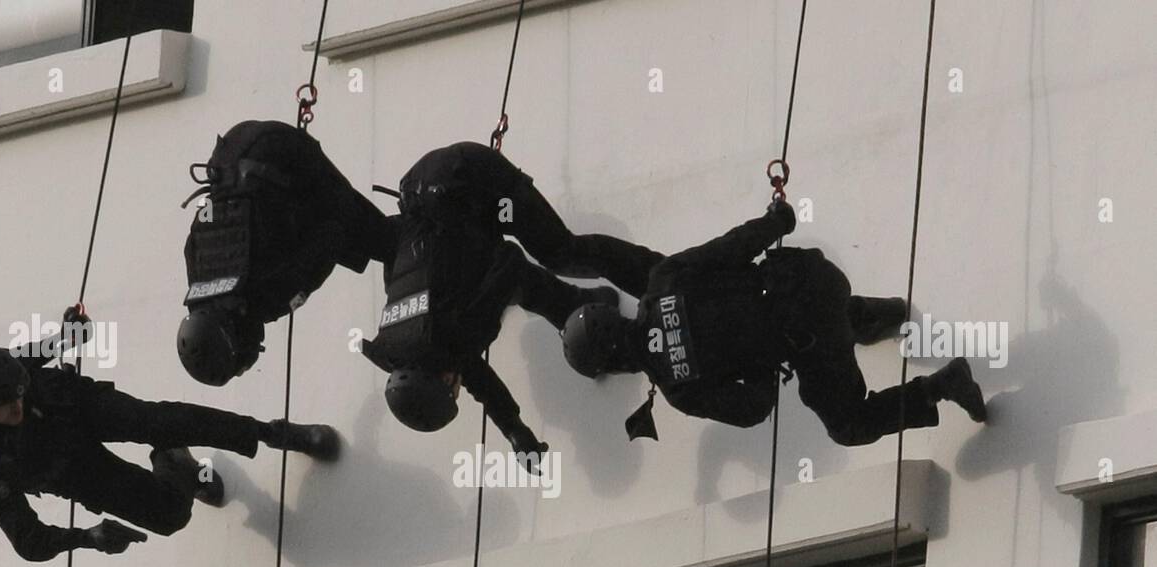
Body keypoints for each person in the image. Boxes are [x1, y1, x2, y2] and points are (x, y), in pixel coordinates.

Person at [560, 199, 987, 444]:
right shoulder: (661, 281)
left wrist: (758, 358)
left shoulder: (679, 389)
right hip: (815, 274)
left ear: (614, 364)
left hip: (809, 334)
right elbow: (731, 248)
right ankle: (880, 314)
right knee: (816, 324)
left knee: (847, 423)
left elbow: (755, 409)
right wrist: (776, 220)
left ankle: (940, 386)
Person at [0, 307, 339, 562]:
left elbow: (31, 356)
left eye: (17, 396)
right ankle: (176, 466)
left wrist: (68, 336)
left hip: (64, 405)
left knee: (157, 420)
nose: (15, 408)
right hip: (56, 462)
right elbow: (27, 540)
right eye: (6, 408)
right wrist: (87, 538)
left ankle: (272, 433)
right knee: (167, 517)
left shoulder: (8, 372)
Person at [358, 141, 660, 460]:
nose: (459, 391)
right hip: (419, 189)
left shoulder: (453, 338)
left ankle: (656, 275)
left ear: (444, 381)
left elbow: (511, 262)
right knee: (499, 284)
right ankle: (574, 302)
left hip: (478, 180)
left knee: (559, 252)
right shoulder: (401, 343)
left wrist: (563, 310)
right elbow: (468, 366)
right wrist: (514, 429)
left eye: (453, 394)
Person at [177, 120, 394, 386]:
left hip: (280, 153)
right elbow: (202, 221)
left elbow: (333, 235)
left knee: (381, 239)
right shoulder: (198, 284)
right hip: (229, 153)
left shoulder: (270, 297)